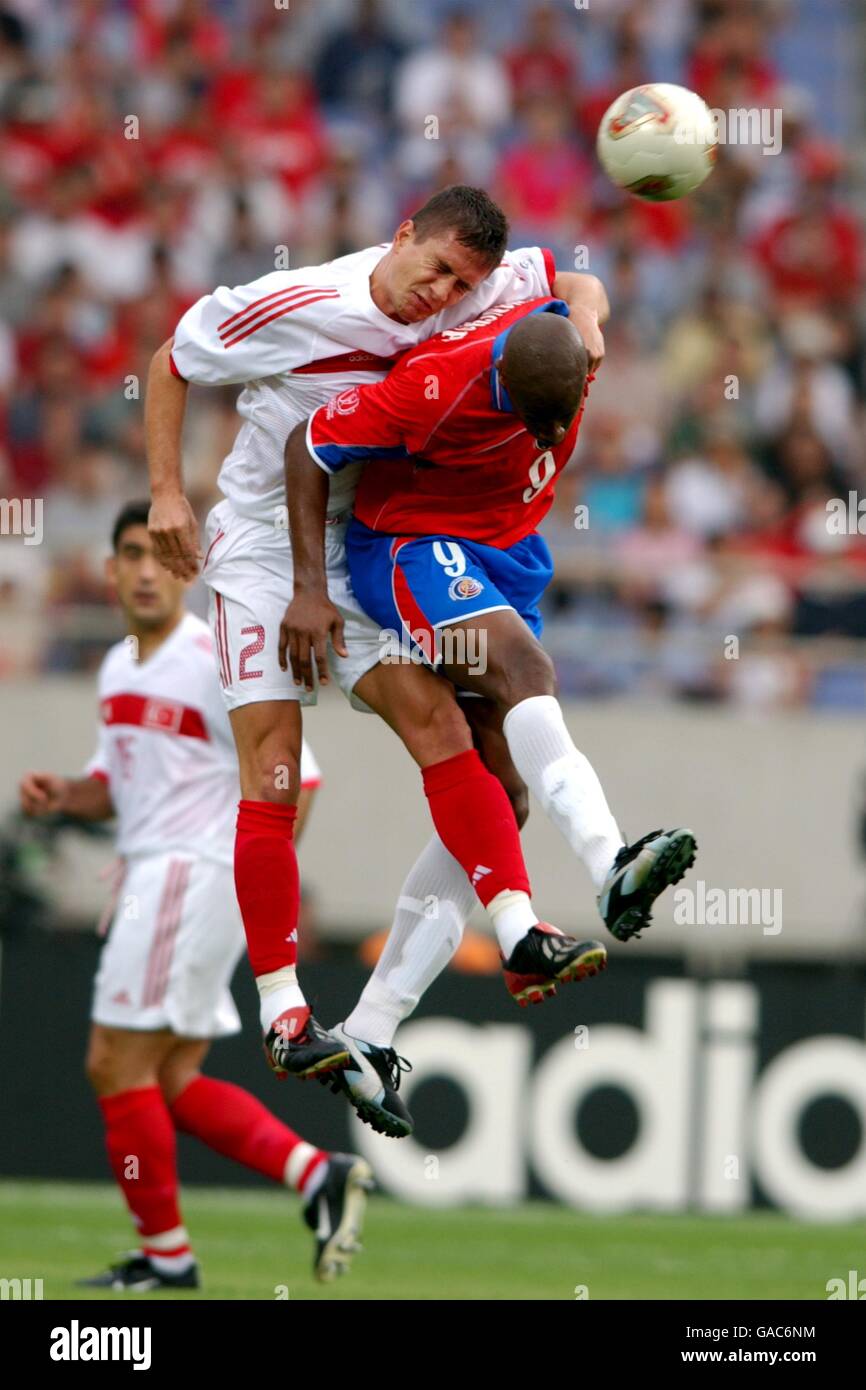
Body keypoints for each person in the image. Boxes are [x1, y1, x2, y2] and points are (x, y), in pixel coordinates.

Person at [146, 184, 611, 1135]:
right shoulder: (305, 303)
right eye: (432, 266)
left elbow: (569, 277)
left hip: (361, 552)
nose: (438, 294)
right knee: (274, 770)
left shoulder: (482, 289)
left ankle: (518, 929)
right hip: (265, 554)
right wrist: (165, 493)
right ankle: (284, 1011)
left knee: (449, 730)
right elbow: (169, 358)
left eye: (460, 284)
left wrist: (590, 318)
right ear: (401, 234)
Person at [281, 298, 697, 1133]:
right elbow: (309, 444)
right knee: (525, 671)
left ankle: (369, 1029)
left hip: (504, 560)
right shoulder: (433, 388)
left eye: (563, 421)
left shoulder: (575, 344)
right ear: (502, 380)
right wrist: (307, 589)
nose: (550, 440)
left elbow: (586, 290)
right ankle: (609, 860)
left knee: (501, 801)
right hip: (412, 548)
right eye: (534, 421)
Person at [19, 502, 371, 1289]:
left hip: (188, 876)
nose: (145, 570)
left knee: (113, 1060)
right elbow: (118, 788)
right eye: (130, 555)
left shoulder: (214, 657)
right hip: (161, 876)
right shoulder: (119, 667)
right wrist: (65, 795)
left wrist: (244, 884)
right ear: (109, 570)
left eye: (159, 556)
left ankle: (167, 1259)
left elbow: (298, 777)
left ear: (185, 571)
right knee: (169, 1077)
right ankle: (318, 1173)